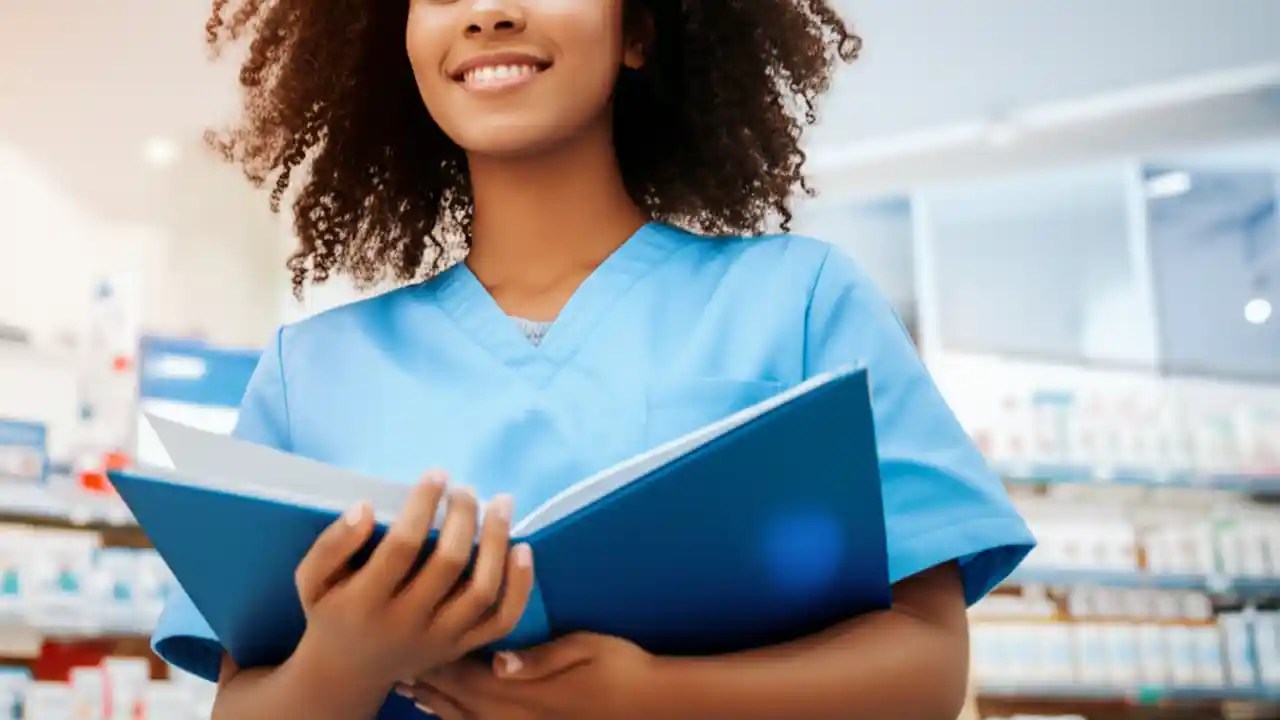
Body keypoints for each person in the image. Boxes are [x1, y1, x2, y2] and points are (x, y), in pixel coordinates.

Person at [152, 0, 1036, 718]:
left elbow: (926, 666)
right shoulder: (308, 374)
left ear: (638, 29)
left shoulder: (803, 303)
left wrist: (651, 700)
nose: (489, 12)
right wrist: (344, 661)